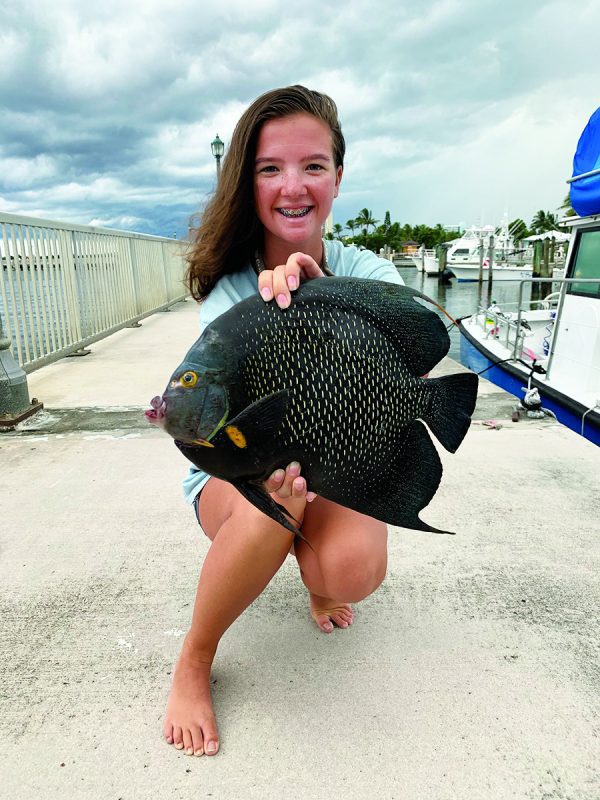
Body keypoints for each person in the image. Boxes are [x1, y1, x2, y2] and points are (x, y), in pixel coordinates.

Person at [164, 85, 405, 757]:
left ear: (338, 177)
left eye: (313, 166)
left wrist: (328, 296)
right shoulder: (231, 291)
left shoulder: (369, 271)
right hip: (238, 476)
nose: (293, 186)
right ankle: (194, 659)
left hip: (335, 465)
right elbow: (220, 425)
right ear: (248, 182)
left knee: (350, 568)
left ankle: (316, 579)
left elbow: (399, 361)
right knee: (275, 503)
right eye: (270, 168)